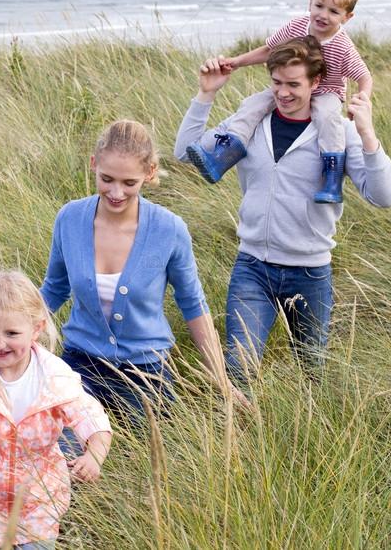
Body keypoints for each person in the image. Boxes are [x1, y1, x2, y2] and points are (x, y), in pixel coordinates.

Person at [174, 37, 391, 386]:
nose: (283, 93)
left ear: (315, 82)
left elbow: (384, 196)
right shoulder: (247, 124)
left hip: (310, 273)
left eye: (294, 84)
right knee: (239, 369)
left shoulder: (338, 133)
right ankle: (241, 439)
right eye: (277, 82)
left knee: (313, 374)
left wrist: (367, 133)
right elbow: (185, 154)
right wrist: (206, 95)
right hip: (252, 268)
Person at [39, 120, 247, 420]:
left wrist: (223, 382)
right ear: (93, 164)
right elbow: (54, 290)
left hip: (146, 371)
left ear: (149, 174)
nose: (115, 192)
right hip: (80, 365)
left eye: (129, 183)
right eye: (106, 178)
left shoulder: (169, 229)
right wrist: (7, 336)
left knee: (152, 459)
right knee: (65, 451)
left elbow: (193, 305)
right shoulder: (69, 218)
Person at [0, 270, 113, 550]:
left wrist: (94, 456)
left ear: (36, 329)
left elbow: (93, 421)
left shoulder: (55, 376)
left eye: (11, 333)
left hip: (39, 504)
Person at [185, 0, 373, 204]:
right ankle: (226, 153)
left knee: (326, 117)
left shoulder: (343, 46)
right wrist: (235, 61)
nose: (323, 15)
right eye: (319, 6)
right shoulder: (297, 26)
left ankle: (331, 177)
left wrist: (362, 100)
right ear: (310, 2)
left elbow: (364, 75)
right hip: (290, 88)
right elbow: (269, 49)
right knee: (252, 104)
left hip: (326, 91)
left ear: (347, 17)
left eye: (334, 12)